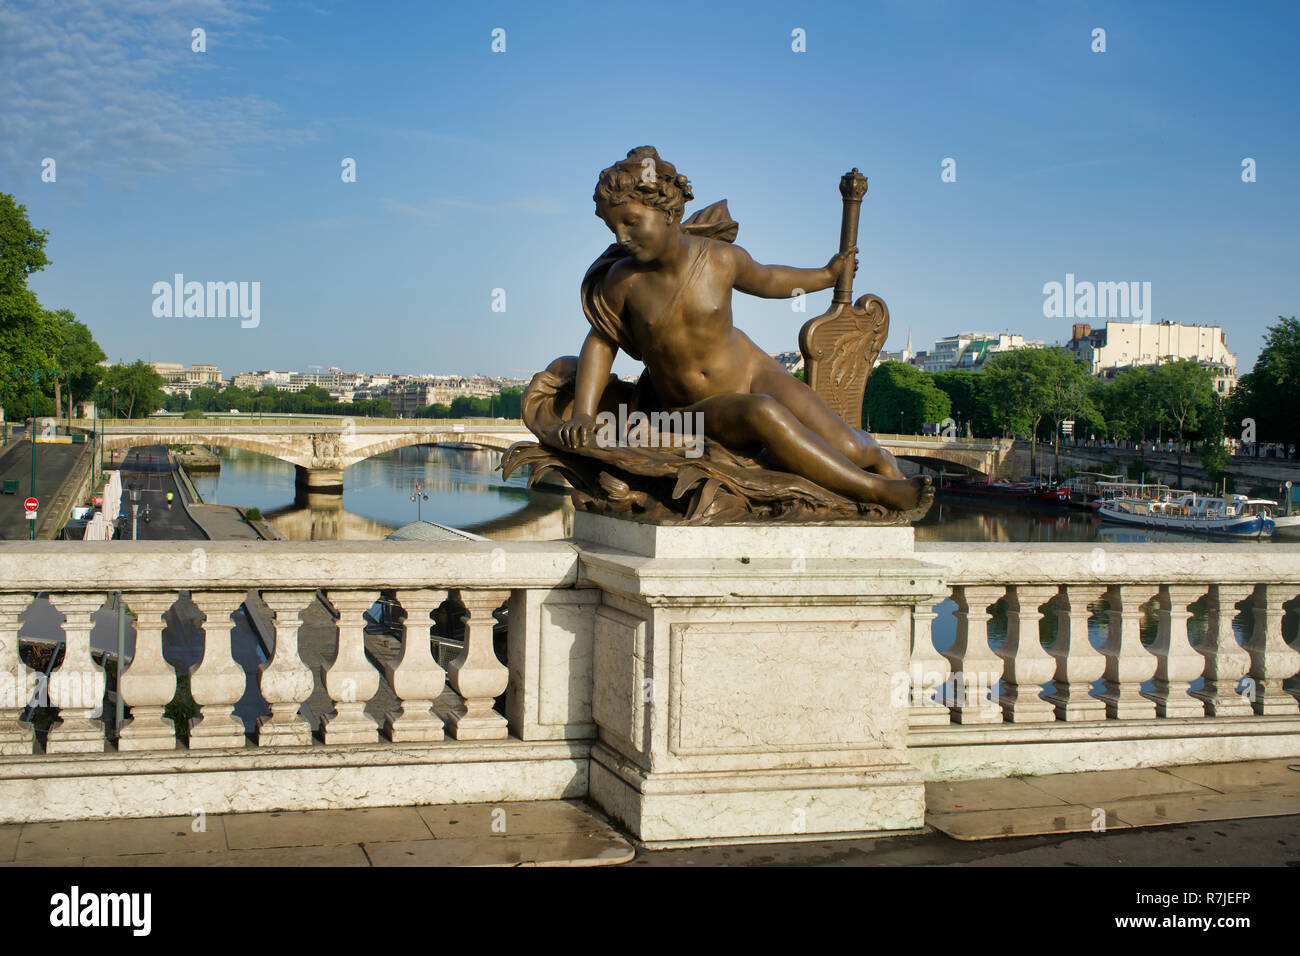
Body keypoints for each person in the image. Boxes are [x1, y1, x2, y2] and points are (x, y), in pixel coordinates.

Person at [556, 146, 930, 513]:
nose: (620, 236)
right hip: (692, 409)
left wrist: (827, 275)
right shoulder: (622, 282)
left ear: (667, 211)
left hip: (755, 371)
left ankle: (878, 458)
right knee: (762, 413)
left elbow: (770, 280)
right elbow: (601, 344)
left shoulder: (719, 259)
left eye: (631, 222)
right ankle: (876, 490)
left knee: (849, 447)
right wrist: (584, 415)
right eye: (612, 226)